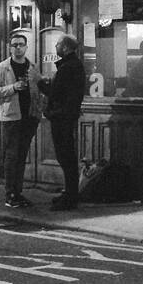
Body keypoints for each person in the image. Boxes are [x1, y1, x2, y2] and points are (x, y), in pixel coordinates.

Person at [0, 32, 41, 208]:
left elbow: (38, 90)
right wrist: (13, 87)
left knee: (22, 156)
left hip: (29, 116)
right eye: (15, 45)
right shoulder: (3, 67)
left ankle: (18, 192)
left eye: (21, 44)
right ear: (10, 47)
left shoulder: (32, 67)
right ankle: (10, 194)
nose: (18, 47)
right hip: (12, 117)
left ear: (26, 47)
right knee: (12, 156)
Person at [40, 35, 86, 211]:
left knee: (66, 156)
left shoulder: (69, 67)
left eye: (58, 44)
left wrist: (37, 80)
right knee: (66, 156)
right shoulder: (71, 65)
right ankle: (69, 193)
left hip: (62, 116)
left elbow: (54, 93)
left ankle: (70, 198)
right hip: (65, 115)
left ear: (66, 47)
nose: (56, 46)